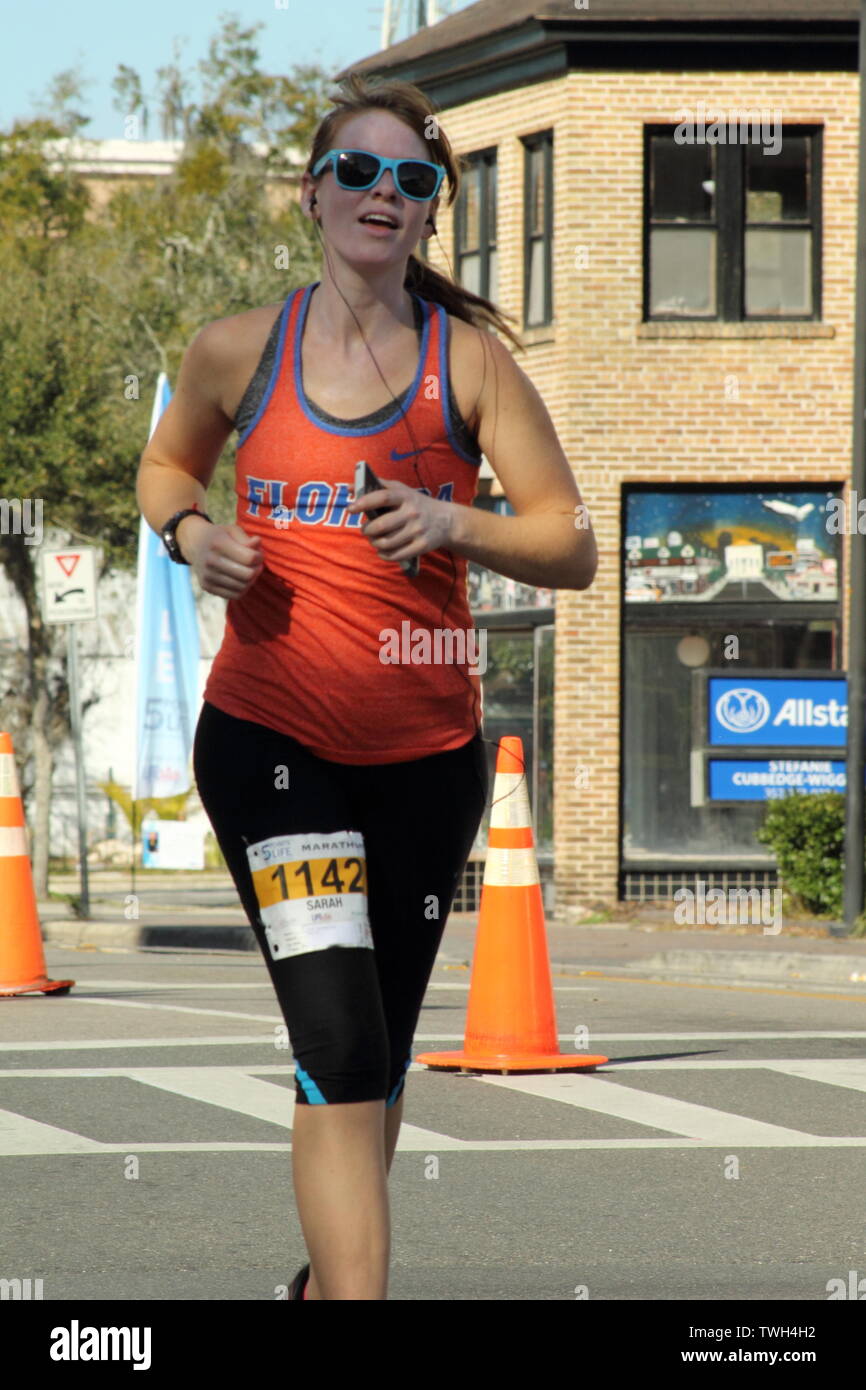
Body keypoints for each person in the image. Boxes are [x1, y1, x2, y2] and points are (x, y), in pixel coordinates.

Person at [135, 71, 597, 1302]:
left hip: (426, 763)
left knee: (375, 1054)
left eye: (411, 180)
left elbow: (569, 544)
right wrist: (189, 535)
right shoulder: (239, 349)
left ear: (432, 213)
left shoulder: (470, 367)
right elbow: (165, 466)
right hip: (272, 747)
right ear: (312, 193)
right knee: (335, 1039)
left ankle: (316, 1288)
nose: (381, 195)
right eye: (357, 171)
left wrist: (454, 519)